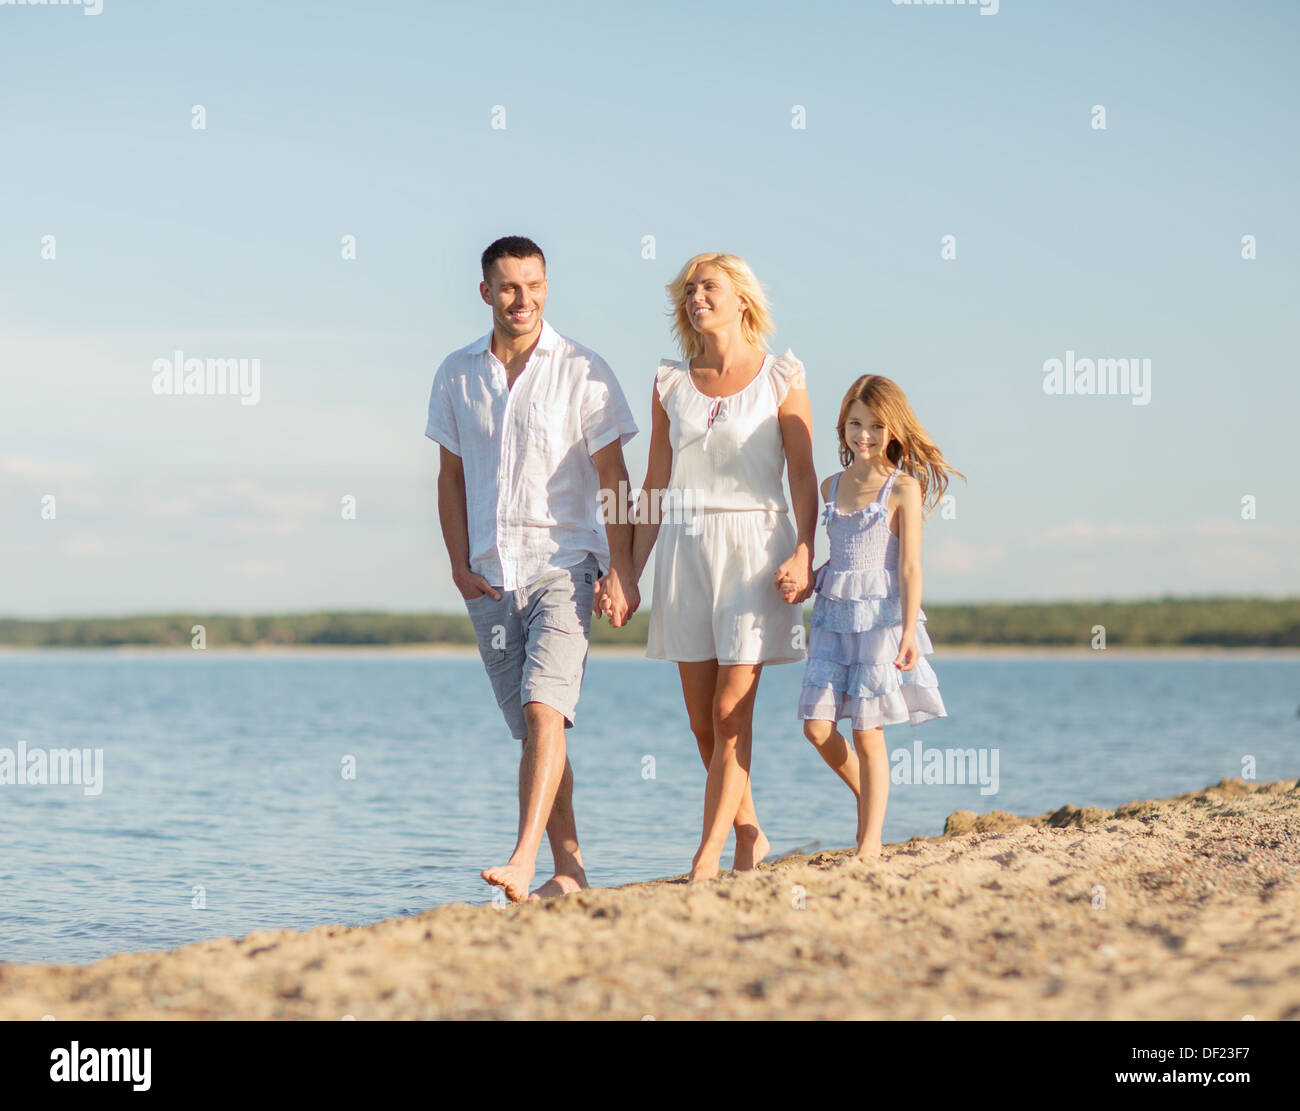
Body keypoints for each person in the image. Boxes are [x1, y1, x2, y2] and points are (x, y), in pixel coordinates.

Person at [425, 235, 639, 902]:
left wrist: (622, 568)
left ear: (549, 285)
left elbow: (614, 478)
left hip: (564, 565)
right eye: (510, 287)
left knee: (547, 711)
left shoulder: (583, 369)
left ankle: (522, 859)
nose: (525, 299)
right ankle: (569, 869)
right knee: (534, 727)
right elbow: (450, 479)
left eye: (536, 284)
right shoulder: (457, 374)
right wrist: (460, 568)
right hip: (491, 577)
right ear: (486, 292)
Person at [628, 252, 817, 885]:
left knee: (734, 712)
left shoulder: (781, 376)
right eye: (688, 290)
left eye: (709, 287)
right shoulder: (669, 383)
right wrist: (627, 569)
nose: (695, 297)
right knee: (701, 719)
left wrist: (805, 551)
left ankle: (705, 858)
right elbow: (654, 483)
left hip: (755, 548)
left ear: (742, 300)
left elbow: (802, 473)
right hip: (686, 550)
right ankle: (749, 832)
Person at [792, 374, 963, 862]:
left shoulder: (901, 487)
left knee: (868, 730)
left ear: (892, 430)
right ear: (842, 426)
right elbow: (835, 556)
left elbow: (909, 567)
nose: (862, 435)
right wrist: (805, 577)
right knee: (817, 727)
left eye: (873, 425)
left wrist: (909, 632)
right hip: (831, 617)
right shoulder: (830, 486)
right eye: (854, 424)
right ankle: (871, 798)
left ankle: (868, 845)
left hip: (880, 622)